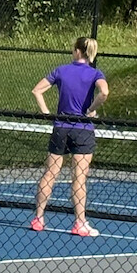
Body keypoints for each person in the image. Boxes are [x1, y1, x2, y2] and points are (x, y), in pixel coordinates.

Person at [30, 36, 107, 237]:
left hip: (60, 128)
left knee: (50, 173)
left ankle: (38, 218)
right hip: (83, 130)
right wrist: (91, 109)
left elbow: (37, 90)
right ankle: (79, 223)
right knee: (79, 178)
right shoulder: (95, 73)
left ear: (77, 52)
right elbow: (104, 93)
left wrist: (47, 114)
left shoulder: (61, 70)